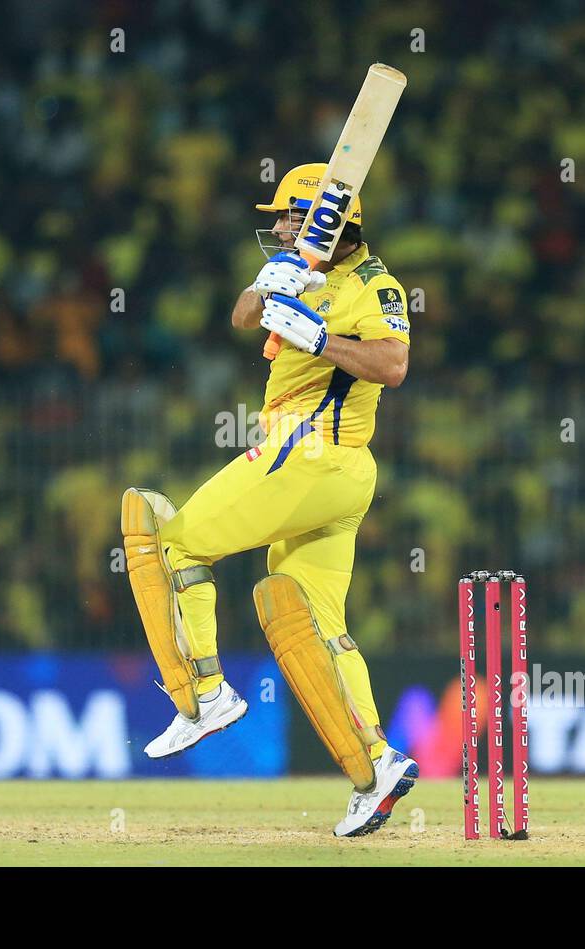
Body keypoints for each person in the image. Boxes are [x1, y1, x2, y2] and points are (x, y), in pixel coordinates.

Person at [122, 163, 415, 837]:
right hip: (329, 472)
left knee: (171, 539)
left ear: (329, 220)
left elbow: (393, 366)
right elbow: (241, 315)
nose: (279, 227)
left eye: (288, 215)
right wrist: (270, 283)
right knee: (307, 619)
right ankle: (377, 763)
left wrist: (321, 339)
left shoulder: (375, 284)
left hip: (314, 452)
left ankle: (204, 693)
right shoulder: (299, 263)